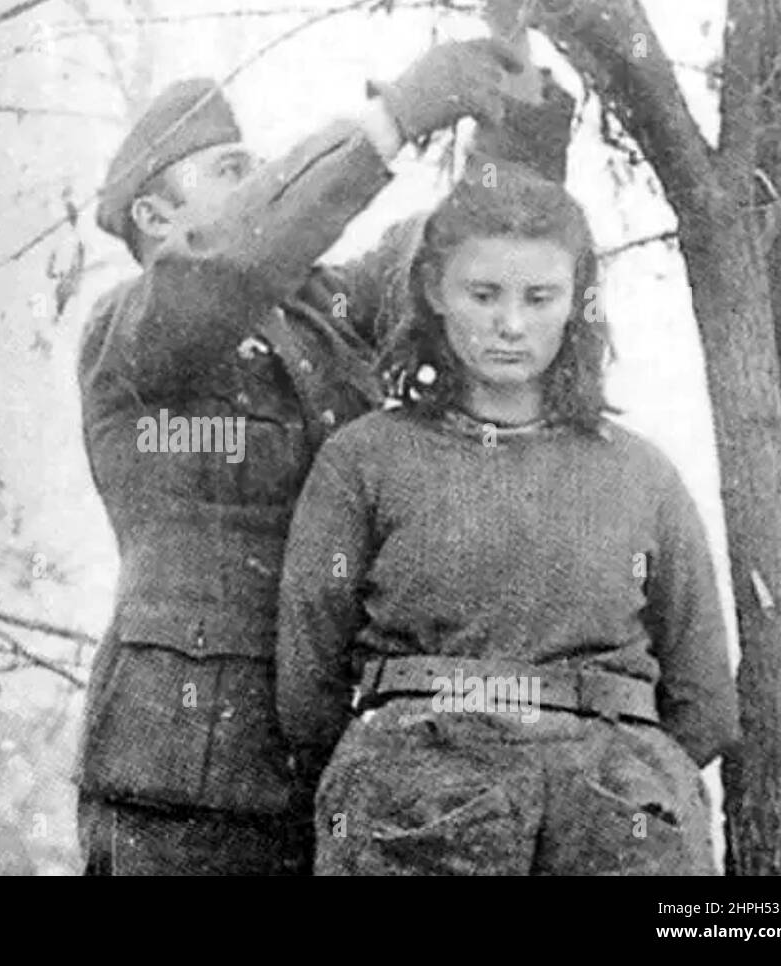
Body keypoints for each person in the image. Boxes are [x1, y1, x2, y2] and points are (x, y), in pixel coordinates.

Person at [74, 39, 533, 875]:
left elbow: (459, 254)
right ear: (153, 217)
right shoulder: (133, 329)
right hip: (176, 778)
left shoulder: (324, 310)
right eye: (229, 170)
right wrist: (389, 123)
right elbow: (233, 262)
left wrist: (513, 139)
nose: (260, 185)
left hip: (321, 764)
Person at [276, 154, 742, 876]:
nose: (511, 325)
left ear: (577, 298)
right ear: (434, 289)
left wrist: (609, 785)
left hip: (617, 822)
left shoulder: (640, 473)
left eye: (540, 296)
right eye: (484, 293)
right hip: (415, 813)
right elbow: (307, 694)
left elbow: (705, 699)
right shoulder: (364, 459)